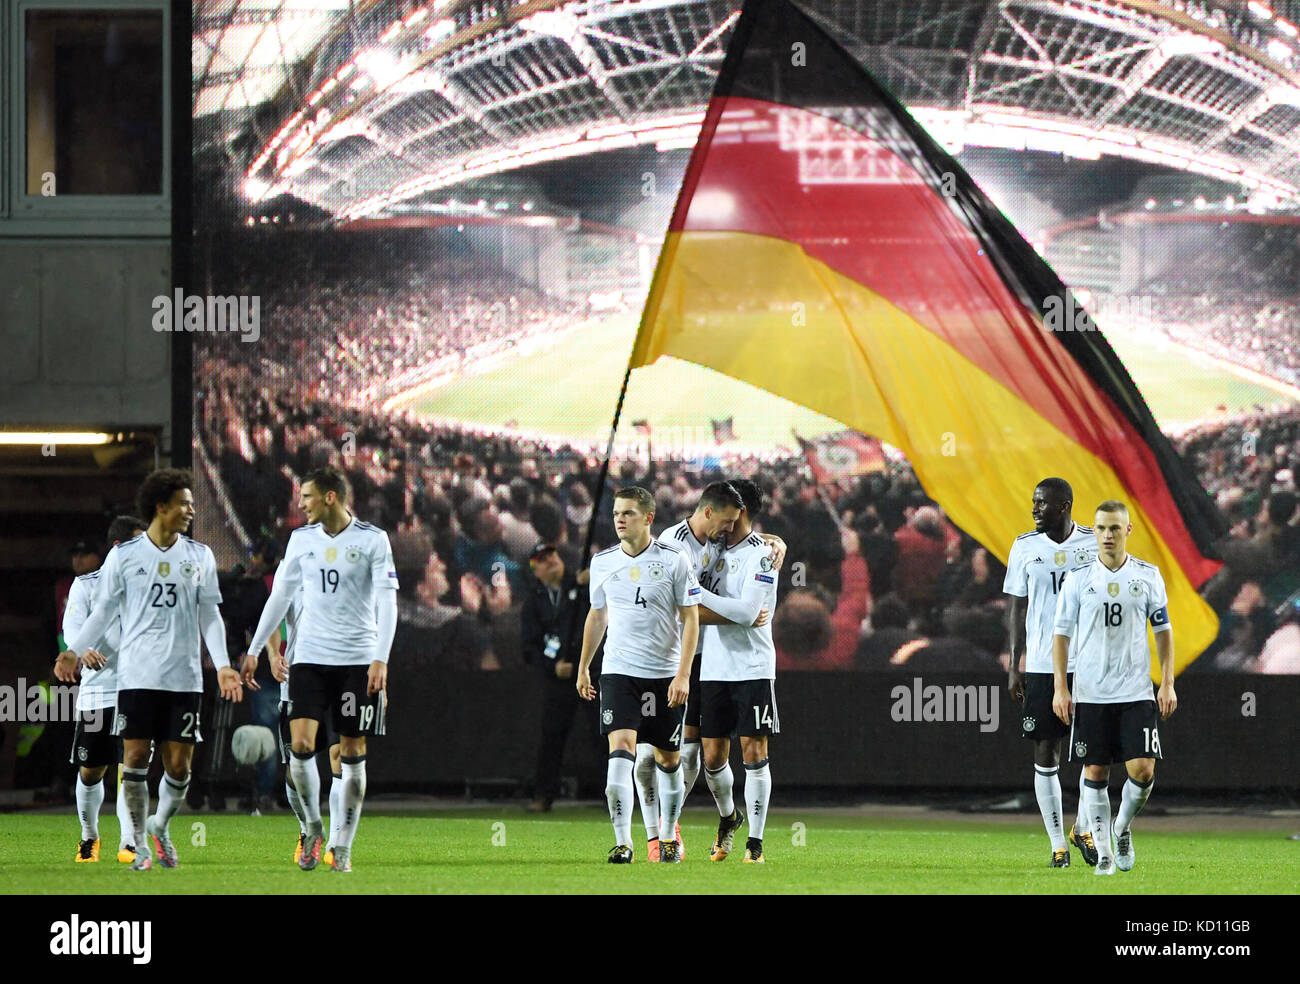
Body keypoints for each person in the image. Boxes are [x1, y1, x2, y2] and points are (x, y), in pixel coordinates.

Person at [56, 469, 242, 871]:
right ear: (162, 507)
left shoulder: (200, 556)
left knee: (179, 767)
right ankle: (134, 844)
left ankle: (159, 825)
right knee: (132, 759)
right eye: (186, 503)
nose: (192, 510)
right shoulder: (124, 559)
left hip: (184, 677)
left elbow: (210, 614)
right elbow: (102, 612)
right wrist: (73, 651)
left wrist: (224, 666)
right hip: (135, 679)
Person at [243, 465, 398, 873]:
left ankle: (341, 846)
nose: (300, 503)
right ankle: (312, 826)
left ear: (330, 497)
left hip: (357, 661)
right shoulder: (300, 540)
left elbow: (388, 603)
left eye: (307, 496)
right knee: (301, 747)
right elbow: (279, 597)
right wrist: (257, 648)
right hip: (309, 658)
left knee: (350, 753)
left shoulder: (372, 540)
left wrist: (381, 657)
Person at [637, 481, 785, 859]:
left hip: (714, 661)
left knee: (699, 757)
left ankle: (679, 834)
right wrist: (703, 607)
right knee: (678, 757)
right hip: (676, 658)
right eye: (725, 517)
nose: (727, 525)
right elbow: (676, 607)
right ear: (712, 512)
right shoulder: (675, 542)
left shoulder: (740, 546)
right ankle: (681, 828)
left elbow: (746, 602)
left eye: (735, 518)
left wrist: (694, 598)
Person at [1052, 500, 1177, 876]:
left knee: (1142, 771)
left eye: (1114, 528)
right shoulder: (1078, 579)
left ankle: (1122, 827)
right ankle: (1105, 853)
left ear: (1128, 530)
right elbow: (1061, 636)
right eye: (1102, 528)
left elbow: (1163, 632)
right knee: (1096, 772)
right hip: (1091, 693)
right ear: (1095, 531)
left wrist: (1167, 682)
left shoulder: (1148, 575)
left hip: (1136, 691)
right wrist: (1061, 687)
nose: (1107, 535)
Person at [576, 486, 700, 863]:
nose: (619, 519)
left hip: (664, 676)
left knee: (667, 759)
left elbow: (690, 618)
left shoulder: (675, 559)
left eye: (628, 513)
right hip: (618, 672)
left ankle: (666, 838)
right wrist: (584, 666)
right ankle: (623, 843)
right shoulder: (602, 562)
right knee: (621, 749)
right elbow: (597, 615)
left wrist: (683, 675)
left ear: (648, 518)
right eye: (617, 512)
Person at [1003, 478, 1099, 867]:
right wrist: (1015, 665)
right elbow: (1016, 609)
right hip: (1043, 664)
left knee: (1097, 753)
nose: (1034, 509)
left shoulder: (1094, 544)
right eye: (1033, 502)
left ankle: (1084, 828)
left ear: (1064, 506)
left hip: (1089, 663)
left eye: (1041, 503)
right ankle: (1059, 844)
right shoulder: (1025, 546)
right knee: (1046, 750)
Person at [698, 479, 780, 864]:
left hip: (752, 666)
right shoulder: (709, 548)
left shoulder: (763, 556)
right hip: (713, 666)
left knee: (754, 751)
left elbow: (749, 614)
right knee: (712, 758)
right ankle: (729, 817)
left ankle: (755, 844)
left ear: (740, 511)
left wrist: (695, 596)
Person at [58, 515, 144, 864]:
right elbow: (73, 626)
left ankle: (129, 841)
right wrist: (82, 648)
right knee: (91, 770)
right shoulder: (87, 585)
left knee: (131, 765)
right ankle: (89, 837)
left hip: (137, 689)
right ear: (119, 547)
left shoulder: (147, 586)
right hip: (98, 692)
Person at [520, 542, 590, 811]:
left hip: (588, 672)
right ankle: (543, 795)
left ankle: (618, 796)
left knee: (604, 734)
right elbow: (529, 646)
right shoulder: (534, 602)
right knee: (552, 737)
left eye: (552, 555)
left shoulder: (582, 584)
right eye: (542, 559)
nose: (550, 560)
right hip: (558, 680)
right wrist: (552, 667)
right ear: (535, 569)